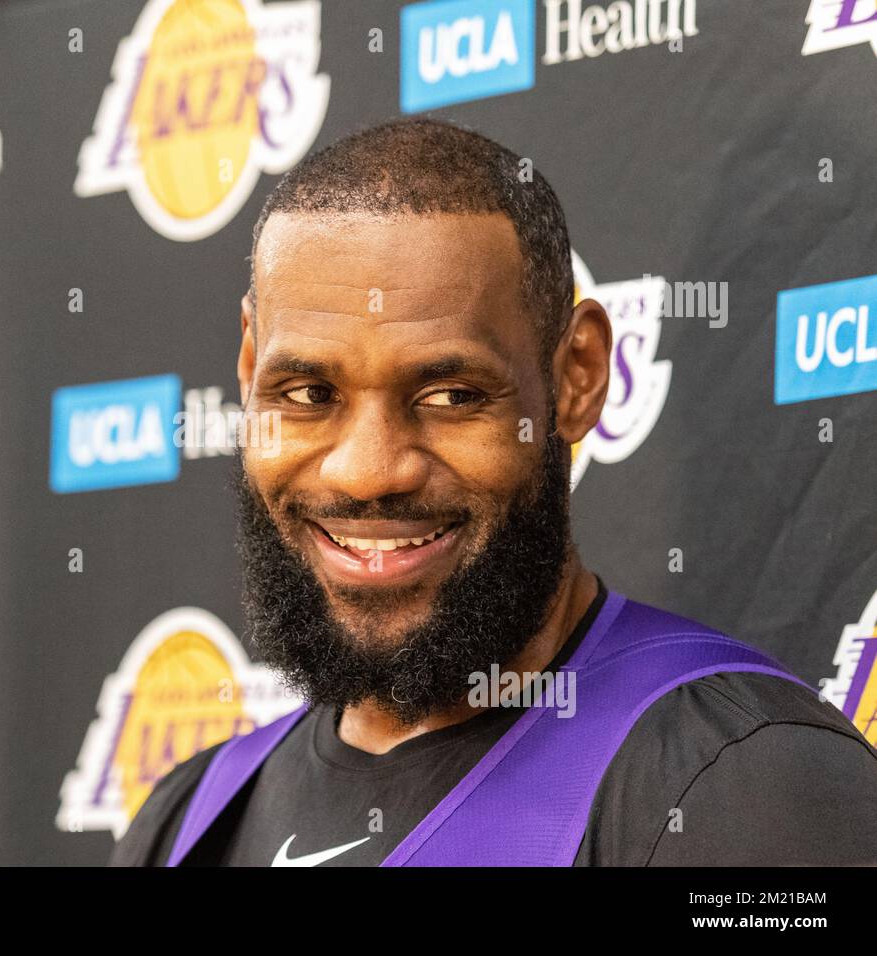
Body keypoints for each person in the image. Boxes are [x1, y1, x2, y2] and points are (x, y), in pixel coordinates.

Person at [111, 118, 877, 866]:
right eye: (309, 392)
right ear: (249, 373)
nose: (368, 472)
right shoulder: (187, 817)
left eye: (450, 395)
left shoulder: (742, 787)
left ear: (577, 377)